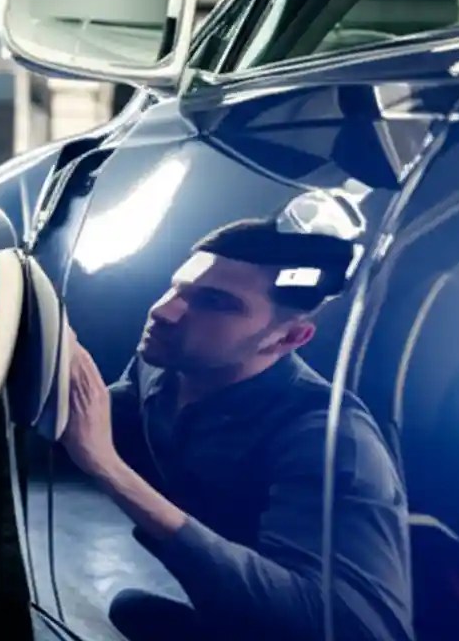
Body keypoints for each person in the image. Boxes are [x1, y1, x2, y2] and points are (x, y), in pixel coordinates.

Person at [61, 218, 413, 641]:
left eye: (215, 302)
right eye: (177, 287)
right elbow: (119, 413)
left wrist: (110, 469)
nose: (164, 310)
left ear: (288, 338)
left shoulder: (330, 440)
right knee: (132, 611)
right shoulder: (165, 364)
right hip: (224, 610)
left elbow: (354, 631)